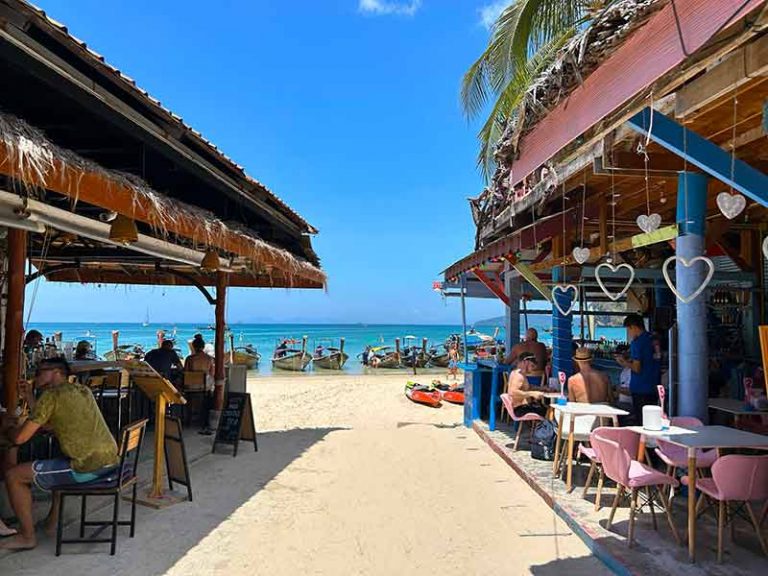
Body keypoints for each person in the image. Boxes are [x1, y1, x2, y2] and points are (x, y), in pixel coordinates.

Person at [0, 358, 119, 550]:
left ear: (55, 372)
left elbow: (20, 439)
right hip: (110, 461)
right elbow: (48, 424)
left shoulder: (51, 396)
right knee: (55, 462)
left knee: (13, 475)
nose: (34, 375)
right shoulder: (82, 390)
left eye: (39, 372)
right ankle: (52, 522)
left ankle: (27, 537)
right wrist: (30, 396)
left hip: (86, 467)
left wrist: (7, 428)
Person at [616, 314, 660, 425]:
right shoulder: (652, 339)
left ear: (633, 327)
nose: (629, 333)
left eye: (628, 329)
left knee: (641, 423)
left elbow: (637, 368)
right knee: (652, 422)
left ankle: (642, 442)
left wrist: (624, 363)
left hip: (640, 389)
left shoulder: (637, 343)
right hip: (653, 387)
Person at [505, 352, 547, 418]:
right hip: (520, 409)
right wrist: (531, 393)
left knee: (545, 407)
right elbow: (513, 392)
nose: (533, 369)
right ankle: (545, 428)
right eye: (532, 366)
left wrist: (542, 388)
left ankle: (540, 427)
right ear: (525, 362)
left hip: (521, 407)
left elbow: (528, 387)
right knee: (549, 411)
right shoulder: (519, 376)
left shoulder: (517, 372)